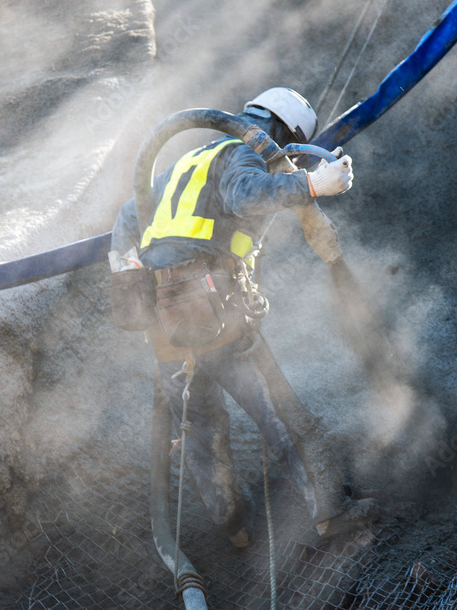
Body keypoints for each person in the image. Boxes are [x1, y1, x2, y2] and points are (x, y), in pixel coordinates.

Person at [111, 87, 371, 547]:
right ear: (284, 132)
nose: (287, 161)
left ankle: (236, 528)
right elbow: (245, 195)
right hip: (216, 314)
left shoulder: (187, 163)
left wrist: (131, 271)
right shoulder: (240, 153)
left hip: (166, 325)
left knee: (199, 430)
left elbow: (128, 215)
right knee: (278, 412)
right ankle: (329, 513)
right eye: (288, 151)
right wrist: (313, 184)